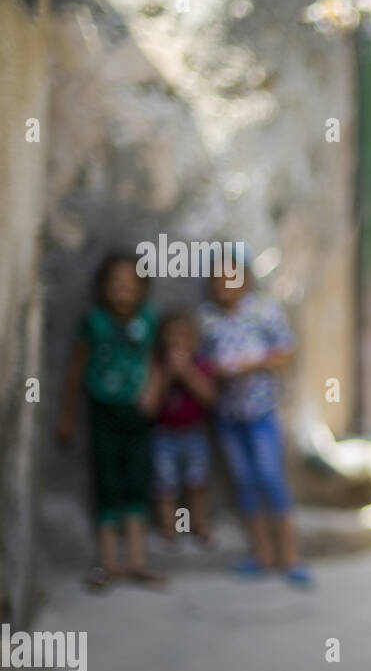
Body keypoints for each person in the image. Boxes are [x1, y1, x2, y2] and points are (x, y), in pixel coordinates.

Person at [197, 252, 312, 586]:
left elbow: (286, 352)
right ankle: (261, 554)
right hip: (227, 414)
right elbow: (202, 359)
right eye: (217, 279)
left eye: (231, 276)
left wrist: (252, 363)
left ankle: (291, 557)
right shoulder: (208, 319)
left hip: (261, 412)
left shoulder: (264, 310)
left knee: (270, 478)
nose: (225, 285)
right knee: (244, 481)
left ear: (246, 278)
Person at [56, 253, 165, 590]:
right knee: (107, 481)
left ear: (141, 289)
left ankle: (136, 561)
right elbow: (76, 369)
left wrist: (154, 391)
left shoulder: (148, 321)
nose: (123, 291)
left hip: (137, 414)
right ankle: (107, 563)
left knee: (137, 481)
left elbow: (155, 362)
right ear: (103, 288)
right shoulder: (94, 322)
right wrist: (67, 414)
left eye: (130, 285)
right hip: (103, 410)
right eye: (115, 284)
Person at [139, 311, 217, 548]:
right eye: (171, 335)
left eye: (183, 335)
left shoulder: (201, 364)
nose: (176, 341)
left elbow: (210, 398)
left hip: (194, 433)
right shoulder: (156, 366)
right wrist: (166, 376)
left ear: (194, 340)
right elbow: (148, 407)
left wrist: (187, 373)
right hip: (164, 436)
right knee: (165, 484)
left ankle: (199, 525)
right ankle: (170, 529)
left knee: (197, 481)